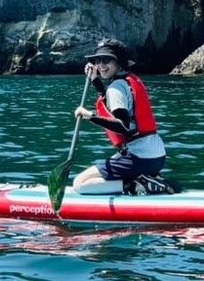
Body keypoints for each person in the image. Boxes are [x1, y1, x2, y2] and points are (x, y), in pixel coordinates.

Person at [71, 38, 170, 193]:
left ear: (119, 62)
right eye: (97, 60)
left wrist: (89, 116)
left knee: (79, 184)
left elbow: (122, 127)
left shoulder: (116, 87)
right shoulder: (126, 81)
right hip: (156, 157)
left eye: (106, 60)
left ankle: (137, 186)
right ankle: (146, 180)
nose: (101, 65)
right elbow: (111, 103)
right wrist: (95, 80)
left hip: (140, 158)